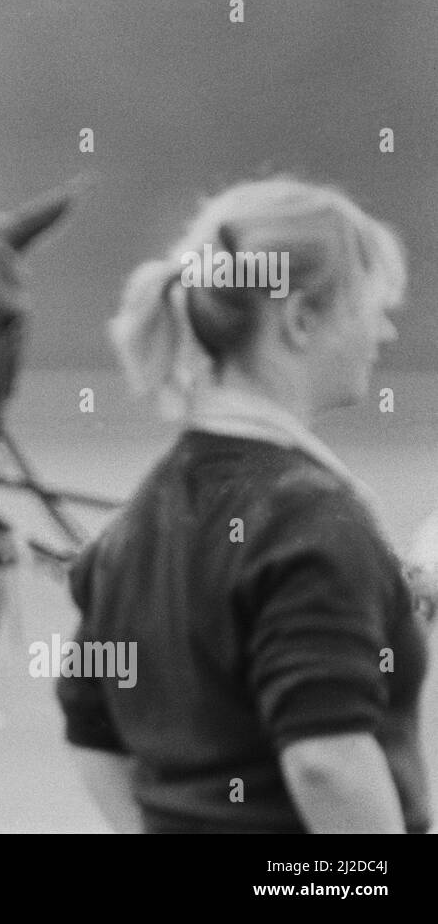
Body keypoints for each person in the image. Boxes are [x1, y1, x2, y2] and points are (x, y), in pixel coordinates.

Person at [59, 177, 430, 833]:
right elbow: (327, 762)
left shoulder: (127, 530)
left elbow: (94, 737)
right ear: (301, 319)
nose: (385, 328)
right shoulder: (314, 521)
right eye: (371, 304)